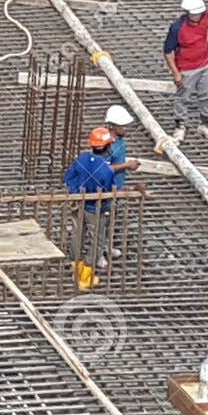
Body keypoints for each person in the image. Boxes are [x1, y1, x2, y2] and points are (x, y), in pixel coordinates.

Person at [64, 126, 121, 285]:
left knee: (77, 236)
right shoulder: (106, 170)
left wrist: (76, 192)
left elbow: (67, 178)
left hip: (78, 205)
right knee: (97, 241)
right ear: (107, 147)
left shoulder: (81, 160)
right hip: (96, 210)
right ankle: (84, 277)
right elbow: (109, 190)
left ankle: (76, 270)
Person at [163, 0, 208, 144]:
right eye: (194, 14)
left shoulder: (206, 17)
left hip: (206, 64)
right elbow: (168, 51)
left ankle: (205, 125)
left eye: (199, 14)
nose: (197, 17)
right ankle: (180, 126)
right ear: (187, 13)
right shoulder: (177, 28)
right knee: (182, 97)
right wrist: (176, 73)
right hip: (187, 68)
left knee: (207, 95)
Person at [103, 104, 140, 175]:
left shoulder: (120, 141)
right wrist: (126, 165)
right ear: (113, 126)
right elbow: (103, 169)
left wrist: (129, 164)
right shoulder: (105, 144)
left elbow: (117, 162)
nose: (126, 128)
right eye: (123, 126)